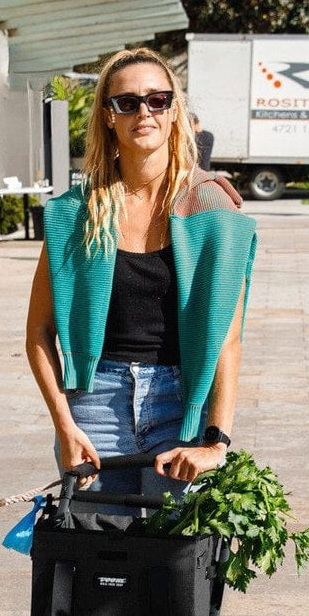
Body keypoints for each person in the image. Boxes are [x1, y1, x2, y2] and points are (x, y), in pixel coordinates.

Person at [25, 47, 258, 501]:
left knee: (175, 562)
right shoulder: (75, 216)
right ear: (109, 116)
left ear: (175, 111)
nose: (143, 111)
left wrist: (217, 440)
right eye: (127, 102)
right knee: (95, 559)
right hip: (93, 405)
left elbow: (227, 338)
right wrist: (64, 424)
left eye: (157, 99)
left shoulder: (214, 211)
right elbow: (38, 330)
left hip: (181, 403)